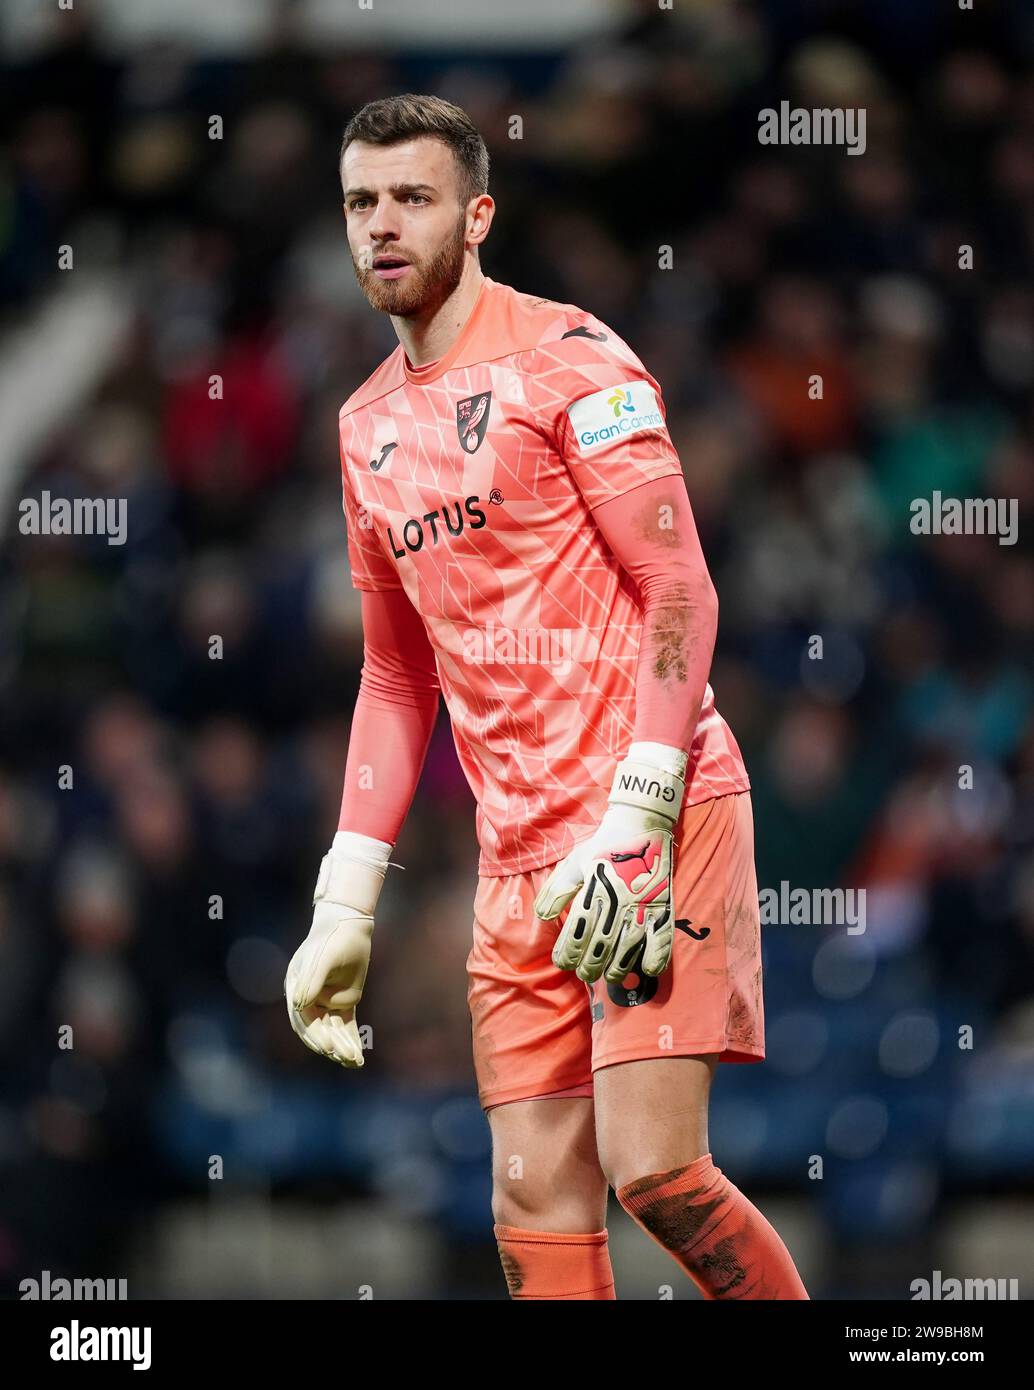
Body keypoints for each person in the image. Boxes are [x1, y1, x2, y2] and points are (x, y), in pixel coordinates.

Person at [285, 93, 808, 1302]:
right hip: (515, 862)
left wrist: (635, 816)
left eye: (410, 199)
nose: (381, 226)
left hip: (652, 819)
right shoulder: (365, 424)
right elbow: (393, 669)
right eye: (360, 203)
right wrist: (345, 894)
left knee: (655, 1171)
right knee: (529, 1195)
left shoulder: (572, 361)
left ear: (476, 215)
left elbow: (680, 585)